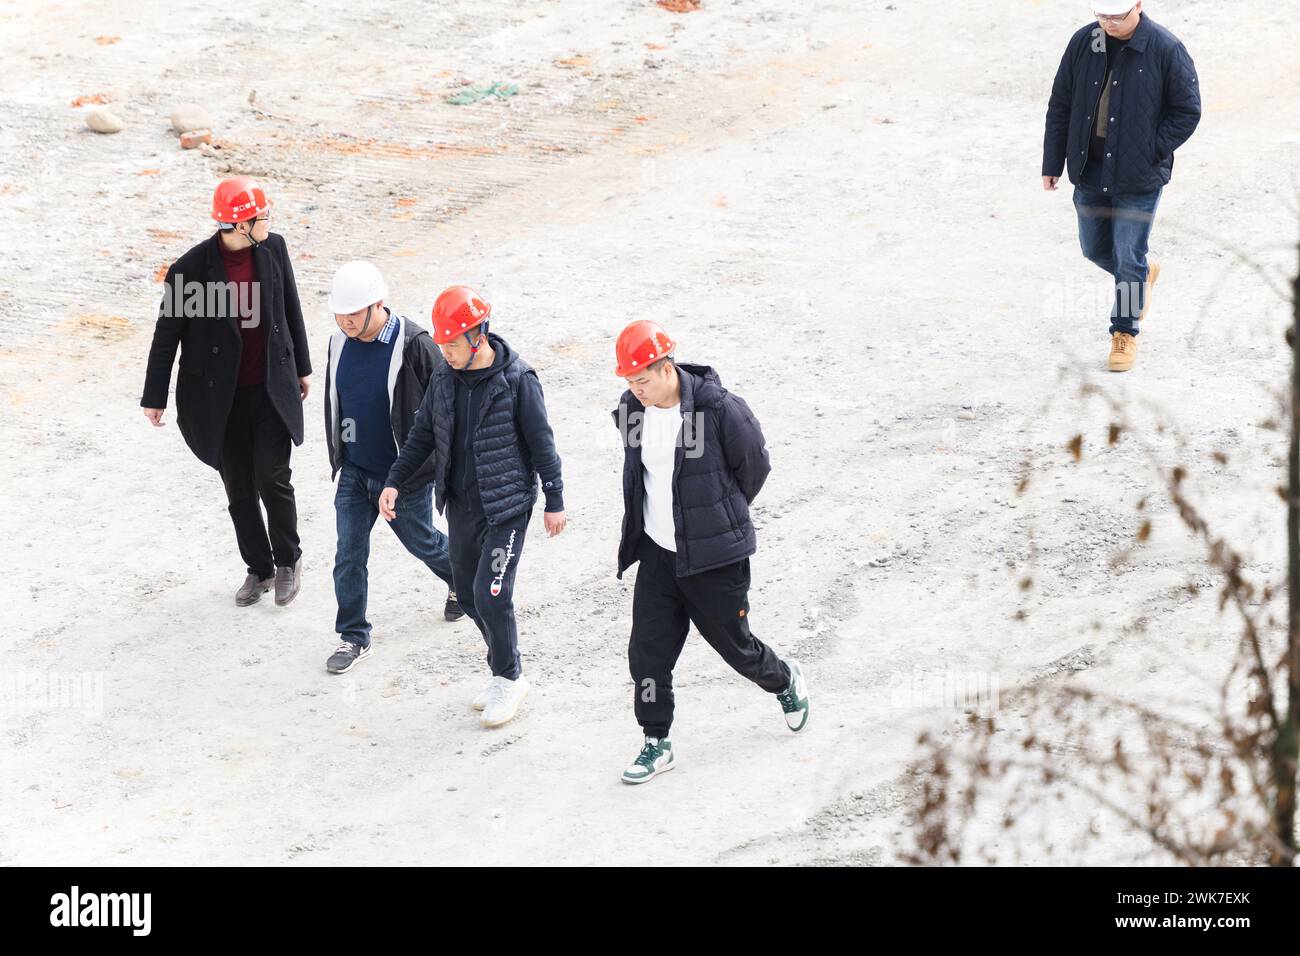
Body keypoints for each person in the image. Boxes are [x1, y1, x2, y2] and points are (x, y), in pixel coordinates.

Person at [610, 320, 809, 785]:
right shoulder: (631, 410)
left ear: (666, 369)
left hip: (714, 560)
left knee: (737, 650)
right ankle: (655, 740)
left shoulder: (718, 409)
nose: (634, 389)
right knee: (647, 655)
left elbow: (754, 466)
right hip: (660, 557)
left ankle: (784, 680)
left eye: (642, 379)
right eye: (629, 381)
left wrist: (718, 518)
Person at [379, 286, 566, 728]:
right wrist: (393, 482)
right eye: (441, 343)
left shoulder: (519, 380)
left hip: (506, 510)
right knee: (466, 595)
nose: (443, 351)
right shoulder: (445, 377)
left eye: (452, 343)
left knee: (492, 594)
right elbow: (422, 433)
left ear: (477, 336)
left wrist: (554, 500)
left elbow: (543, 444)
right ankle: (504, 669)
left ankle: (508, 676)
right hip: (460, 506)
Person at [141, 177, 311, 605]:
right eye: (262, 216)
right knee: (238, 486)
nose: (269, 220)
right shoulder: (191, 270)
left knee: (272, 476)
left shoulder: (273, 249)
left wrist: (302, 368)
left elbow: (291, 308)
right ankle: (259, 568)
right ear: (240, 224)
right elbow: (167, 335)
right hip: (220, 399)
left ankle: (289, 560)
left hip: (270, 388)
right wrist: (154, 395)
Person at [1042, 1, 1200, 371]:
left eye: (1117, 16)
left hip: (1139, 176)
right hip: (1089, 168)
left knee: (1128, 254)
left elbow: (1187, 110)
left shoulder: (1165, 48)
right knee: (1094, 249)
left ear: (1138, 6)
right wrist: (1052, 162)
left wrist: (1150, 149)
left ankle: (1124, 331)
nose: (1109, 23)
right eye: (1103, 15)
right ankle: (1142, 277)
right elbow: (1061, 103)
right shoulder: (1084, 42)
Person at [322, 261, 463, 675]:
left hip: (403, 478)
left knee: (422, 543)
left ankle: (460, 578)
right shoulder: (337, 343)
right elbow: (338, 401)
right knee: (348, 554)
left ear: (378, 304)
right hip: (354, 471)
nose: (346, 321)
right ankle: (353, 635)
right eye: (340, 313)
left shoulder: (415, 343)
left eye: (354, 312)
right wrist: (340, 456)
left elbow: (446, 406)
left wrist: (439, 468)